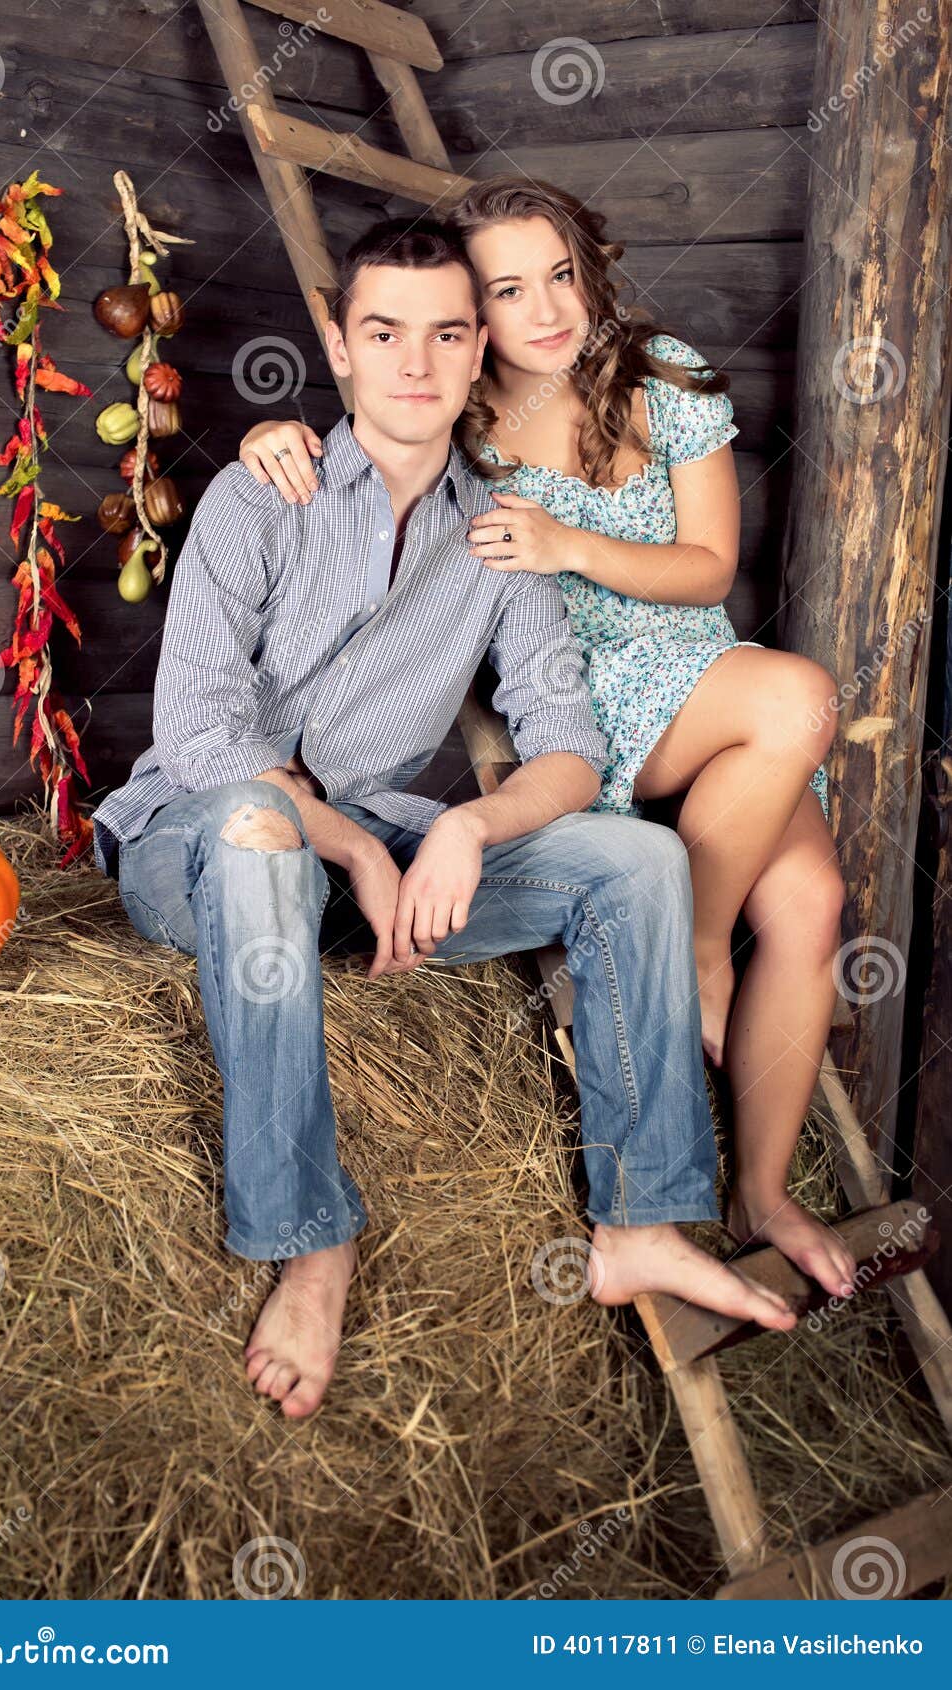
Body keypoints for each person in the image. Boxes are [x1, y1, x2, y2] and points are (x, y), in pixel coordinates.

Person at [92, 217, 797, 1423]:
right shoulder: (258, 497)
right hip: (200, 842)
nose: (414, 363)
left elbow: (569, 751)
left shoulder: (499, 536)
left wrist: (468, 828)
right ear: (339, 345)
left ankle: (638, 1219)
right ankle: (312, 1240)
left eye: (445, 334)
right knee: (262, 832)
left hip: (385, 848)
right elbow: (208, 739)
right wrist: (362, 848)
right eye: (383, 332)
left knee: (632, 855)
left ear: (477, 353)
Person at [237, 180, 855, 1305]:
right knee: (799, 695)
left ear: (590, 269)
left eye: (559, 274)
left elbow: (709, 567)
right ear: (469, 317)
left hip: (707, 671)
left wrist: (567, 541)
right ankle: (700, 955)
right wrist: (272, 430)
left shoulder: (662, 375)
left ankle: (761, 1195)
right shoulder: (460, 423)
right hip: (592, 700)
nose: (547, 308)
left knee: (811, 902)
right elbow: (362, 427)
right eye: (508, 291)